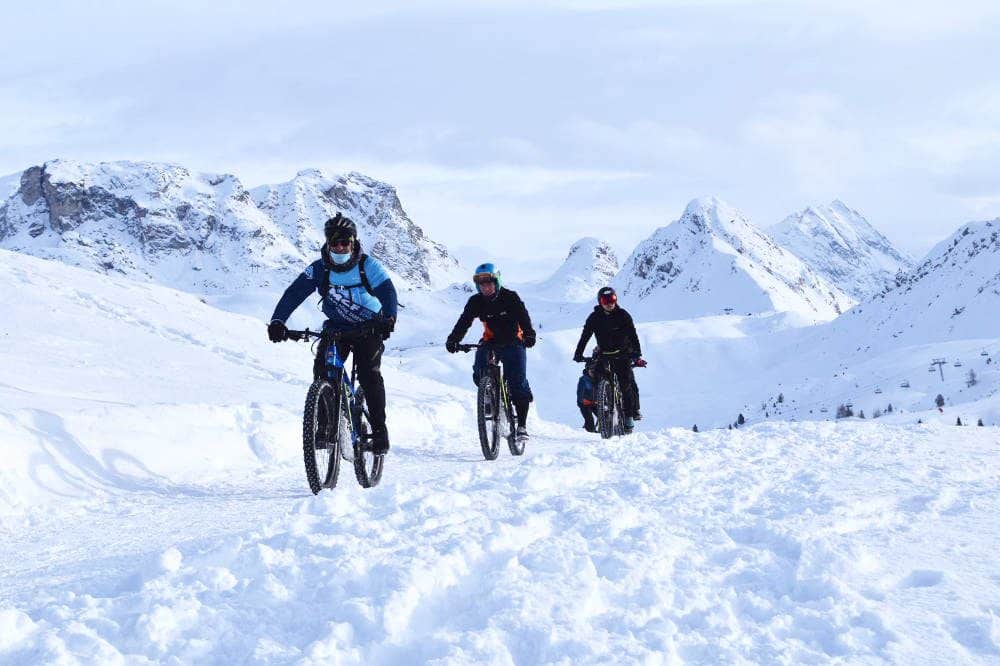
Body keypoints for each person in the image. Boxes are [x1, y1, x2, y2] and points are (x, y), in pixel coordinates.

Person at [267, 213, 397, 453]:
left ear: (353, 242)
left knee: (369, 376)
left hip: (370, 328)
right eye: (334, 242)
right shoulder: (319, 269)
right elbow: (294, 293)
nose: (339, 247)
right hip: (337, 328)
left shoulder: (368, 266)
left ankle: (379, 430)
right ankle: (325, 426)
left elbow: (388, 292)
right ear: (327, 243)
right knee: (323, 372)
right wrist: (278, 321)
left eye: (344, 242)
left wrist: (389, 318)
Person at [445, 263, 536, 441]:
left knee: (517, 383)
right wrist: (453, 339)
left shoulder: (510, 297)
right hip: (491, 341)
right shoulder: (475, 301)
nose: (485, 287)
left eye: (489, 283)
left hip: (514, 341)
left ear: (497, 282)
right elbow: (464, 321)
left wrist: (529, 335)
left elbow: (523, 317)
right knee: (479, 371)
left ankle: (522, 426)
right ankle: (490, 396)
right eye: (481, 284)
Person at [573, 286, 643, 432]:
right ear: (600, 301)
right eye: (606, 300)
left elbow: (633, 335)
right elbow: (585, 336)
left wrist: (637, 353)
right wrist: (578, 354)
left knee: (625, 385)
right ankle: (605, 410)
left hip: (622, 354)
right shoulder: (594, 318)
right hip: (604, 355)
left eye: (612, 299)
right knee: (597, 380)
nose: (609, 303)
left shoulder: (623, 315)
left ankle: (629, 416)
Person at [577, 352, 600, 432]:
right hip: (585, 404)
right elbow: (579, 393)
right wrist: (581, 402)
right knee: (590, 420)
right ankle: (590, 431)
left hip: (595, 403)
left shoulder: (599, 379)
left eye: (595, 370)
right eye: (591, 370)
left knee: (604, 416)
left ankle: (603, 430)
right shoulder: (583, 379)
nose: (593, 372)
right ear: (587, 369)